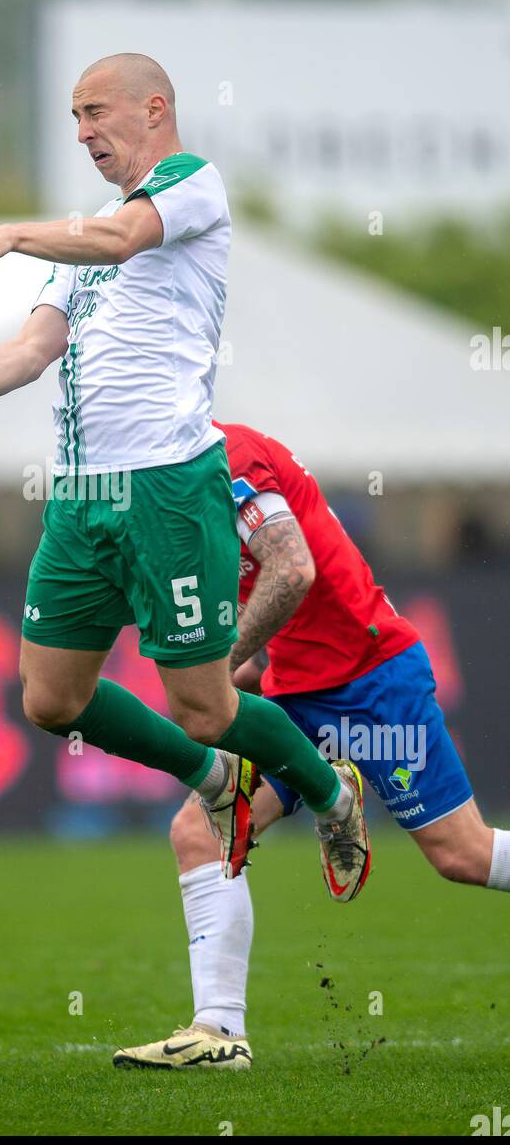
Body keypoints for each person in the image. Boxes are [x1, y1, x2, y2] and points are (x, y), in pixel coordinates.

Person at [0, 52, 370, 910]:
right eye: (73, 119)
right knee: (48, 698)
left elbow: (123, 237)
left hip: (166, 488)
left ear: (154, 108)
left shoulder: (191, 185)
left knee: (204, 703)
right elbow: (33, 350)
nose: (81, 133)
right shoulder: (75, 247)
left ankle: (329, 792)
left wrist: (8, 233)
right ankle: (218, 782)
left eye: (93, 113)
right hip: (83, 499)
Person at [113, 421, 510, 1071]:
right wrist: (243, 672)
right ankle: (218, 1032)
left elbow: (294, 571)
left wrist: (215, 672)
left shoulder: (226, 455)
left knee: (462, 855)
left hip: (371, 680)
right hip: (295, 693)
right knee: (198, 828)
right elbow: (271, 600)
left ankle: (336, 797)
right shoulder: (169, 479)